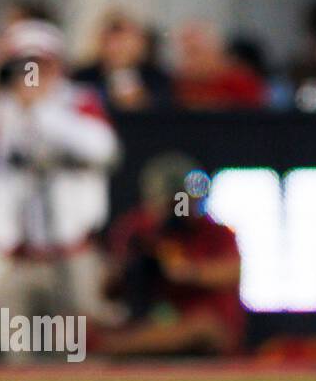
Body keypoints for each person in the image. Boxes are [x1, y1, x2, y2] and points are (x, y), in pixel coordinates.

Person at [0, 20, 121, 350]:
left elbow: (104, 149)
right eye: (22, 64)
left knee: (76, 351)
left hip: (72, 253)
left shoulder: (79, 102)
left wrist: (41, 111)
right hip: (14, 257)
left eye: (39, 63)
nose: (31, 73)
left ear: (57, 63)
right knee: (16, 355)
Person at [99, 153, 244, 356]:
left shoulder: (214, 232)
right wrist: (130, 269)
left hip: (203, 327)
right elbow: (108, 291)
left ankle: (116, 348)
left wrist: (187, 271)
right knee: (83, 322)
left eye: (182, 201)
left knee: (201, 326)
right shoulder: (137, 230)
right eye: (170, 202)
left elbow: (233, 272)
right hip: (149, 319)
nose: (177, 209)